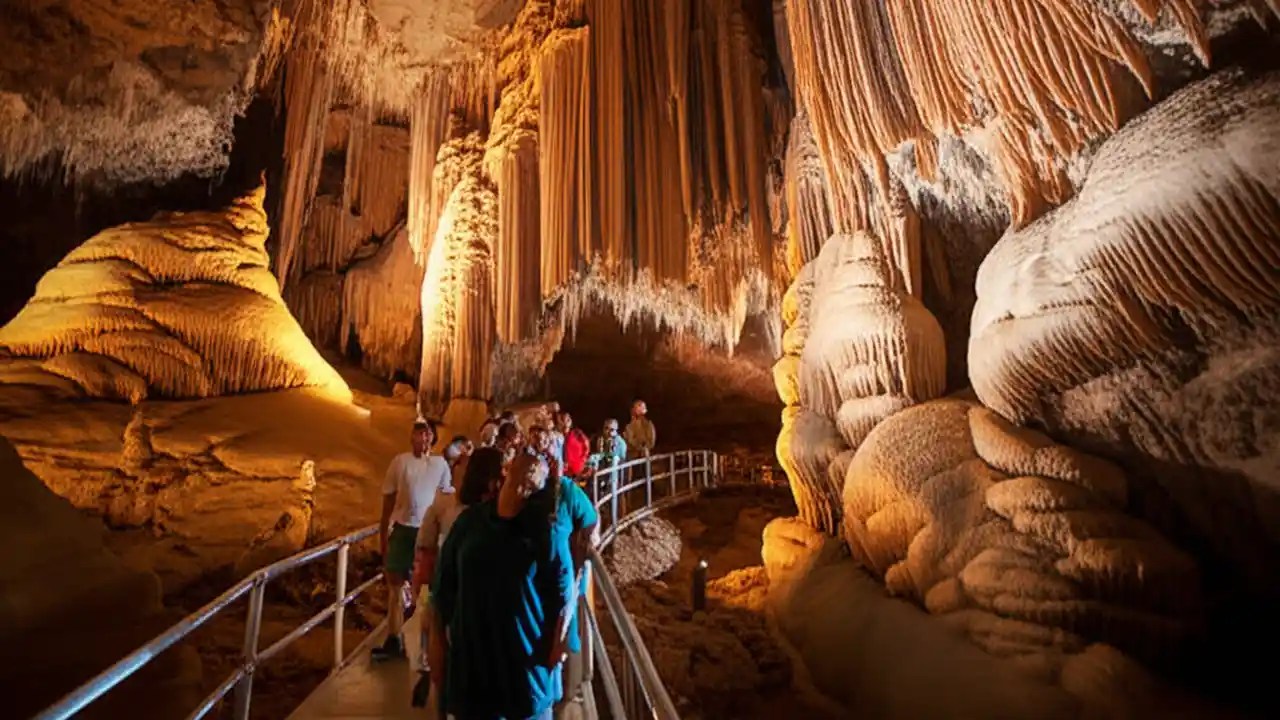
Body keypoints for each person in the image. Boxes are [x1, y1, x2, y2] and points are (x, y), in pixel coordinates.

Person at [429, 452, 574, 720]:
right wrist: (436, 645)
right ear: (507, 471)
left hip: (525, 675)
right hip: (472, 673)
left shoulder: (546, 532)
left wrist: (560, 642)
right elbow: (443, 588)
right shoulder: (469, 523)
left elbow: (565, 592)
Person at [408, 447, 504, 707]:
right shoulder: (448, 506)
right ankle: (433, 680)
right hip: (448, 585)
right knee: (436, 634)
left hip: (461, 589)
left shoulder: (494, 509)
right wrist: (423, 591)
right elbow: (426, 549)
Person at [374, 420, 452, 661]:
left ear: (432, 438)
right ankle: (394, 637)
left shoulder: (440, 464)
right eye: (418, 433)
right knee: (395, 582)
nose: (423, 438)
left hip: (427, 532)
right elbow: (388, 501)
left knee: (427, 587)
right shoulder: (400, 462)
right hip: (403, 529)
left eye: (427, 433)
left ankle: (428, 635)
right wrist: (383, 533)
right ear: (411, 437)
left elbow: (446, 498)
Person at [560, 412, 590, 479]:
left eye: (568, 419)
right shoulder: (557, 436)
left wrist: (583, 459)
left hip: (578, 467)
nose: (565, 422)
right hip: (564, 470)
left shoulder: (577, 433)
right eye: (563, 419)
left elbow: (586, 446)